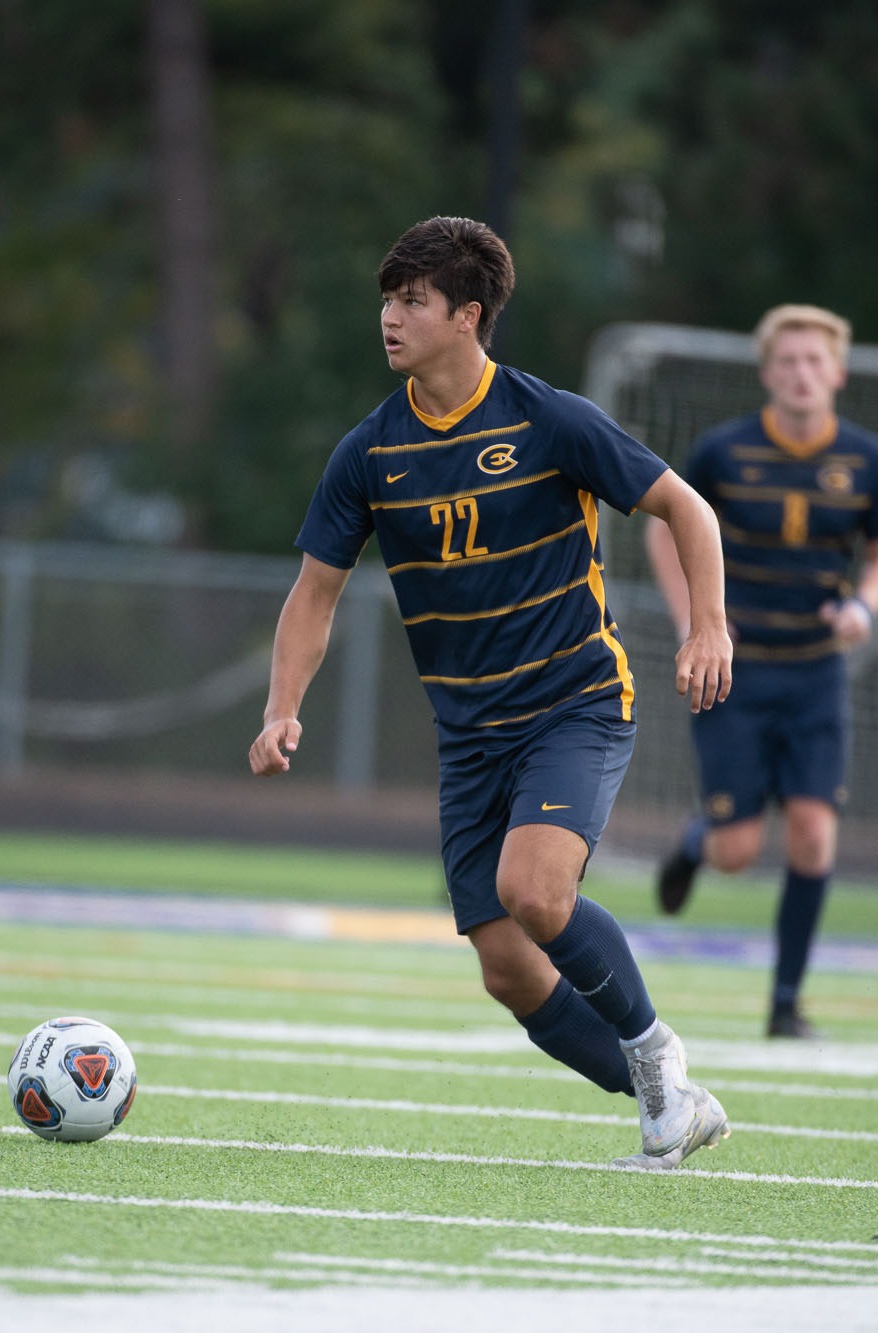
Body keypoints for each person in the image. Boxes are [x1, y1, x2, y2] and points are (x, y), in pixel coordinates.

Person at [249, 216, 734, 1170]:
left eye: (412, 301)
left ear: (468, 316)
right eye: (388, 299)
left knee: (535, 890)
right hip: (470, 734)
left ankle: (655, 1054)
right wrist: (280, 707)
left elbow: (687, 505)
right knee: (509, 968)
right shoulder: (370, 452)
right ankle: (667, 1098)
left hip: (576, 702)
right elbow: (315, 592)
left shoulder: (549, 417)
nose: (390, 318)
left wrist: (710, 625)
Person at [644, 304, 878, 1039]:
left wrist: (865, 606)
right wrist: (697, 618)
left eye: (815, 361)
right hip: (737, 670)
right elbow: (669, 529)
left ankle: (786, 1003)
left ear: (838, 372)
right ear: (767, 372)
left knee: (815, 835)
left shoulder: (866, 459)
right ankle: (697, 844)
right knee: (736, 852)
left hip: (817, 674)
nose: (801, 373)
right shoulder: (723, 452)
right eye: (787, 361)